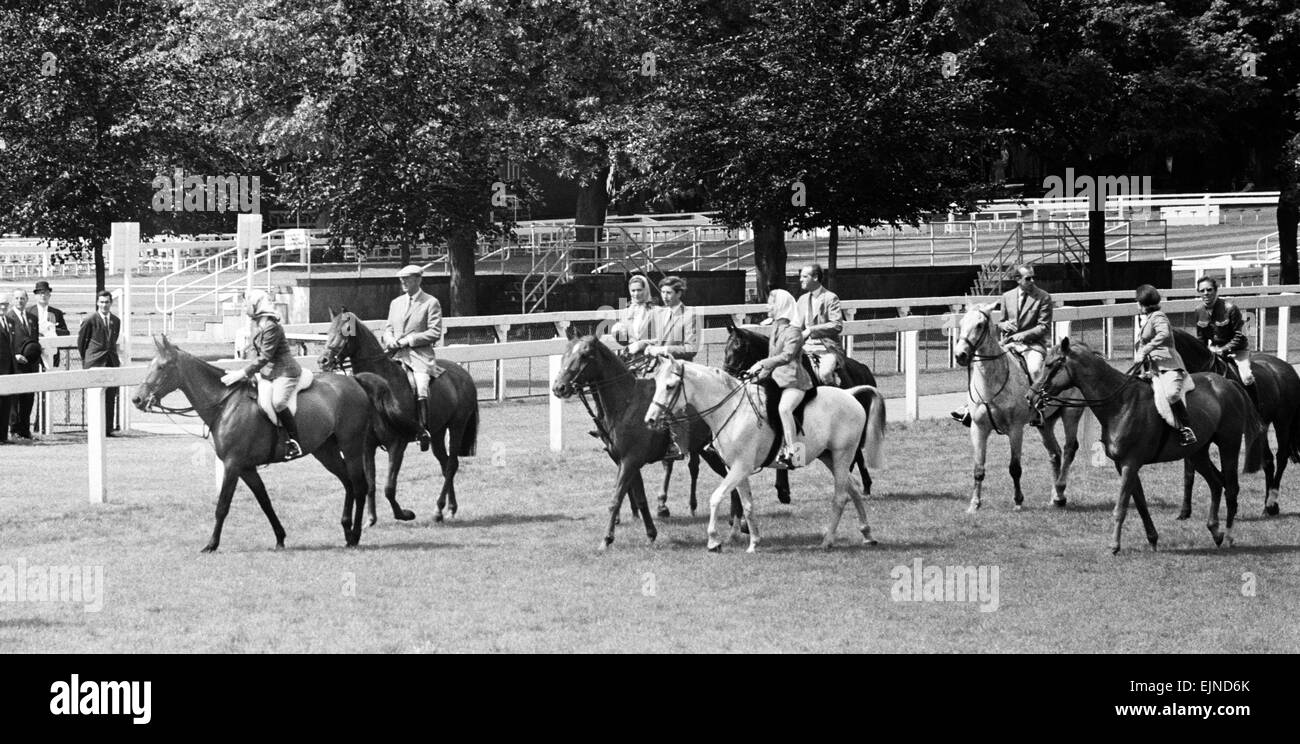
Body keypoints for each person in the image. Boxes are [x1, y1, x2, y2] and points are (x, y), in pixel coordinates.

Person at [952, 264, 1053, 426]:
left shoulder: (1044, 297)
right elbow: (1002, 321)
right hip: (1009, 344)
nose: (1032, 280)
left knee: (1034, 368)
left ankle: (1038, 407)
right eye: (1028, 278)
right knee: (979, 363)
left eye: (1033, 277)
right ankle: (969, 407)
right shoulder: (1007, 296)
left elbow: (1044, 326)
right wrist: (1004, 325)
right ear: (1018, 280)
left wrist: (1023, 334)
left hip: (1033, 345)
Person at [221, 290, 303, 459]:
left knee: (278, 402)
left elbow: (266, 356)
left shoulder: (271, 326)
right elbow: (253, 349)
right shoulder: (257, 324)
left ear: (256, 305)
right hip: (268, 372)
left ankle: (295, 442)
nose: (245, 307)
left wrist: (242, 373)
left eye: (247, 303)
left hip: (285, 372)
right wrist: (246, 373)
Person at [746, 288, 814, 469]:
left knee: (785, 409)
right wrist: (756, 374)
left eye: (772, 303)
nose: (768, 306)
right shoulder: (776, 328)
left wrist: (762, 363)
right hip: (775, 378)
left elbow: (786, 356)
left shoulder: (794, 331)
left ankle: (792, 452)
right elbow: (773, 355)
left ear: (782, 306)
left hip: (794, 381)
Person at [382, 264, 441, 451]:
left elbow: (435, 332)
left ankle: (423, 430)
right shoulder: (395, 303)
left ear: (418, 279)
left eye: (407, 279)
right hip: (395, 356)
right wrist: (389, 338)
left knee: (421, 385)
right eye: (401, 279)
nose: (403, 282)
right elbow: (389, 327)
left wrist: (410, 339)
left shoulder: (430, 302)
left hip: (419, 356)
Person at [640, 275, 699, 460]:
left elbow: (691, 348)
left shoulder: (690, 315)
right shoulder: (659, 313)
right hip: (659, 368)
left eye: (669, 293)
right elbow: (657, 340)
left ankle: (677, 446)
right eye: (663, 292)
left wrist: (663, 349)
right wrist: (644, 344)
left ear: (679, 293)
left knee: (675, 407)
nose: (665, 296)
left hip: (679, 368)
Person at [1135, 284, 1197, 446]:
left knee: (1171, 394)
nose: (1136, 305)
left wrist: (1146, 348)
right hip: (1153, 367)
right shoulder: (1147, 319)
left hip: (1169, 365)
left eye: (1137, 302)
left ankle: (1186, 429)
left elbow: (1164, 334)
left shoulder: (1158, 316)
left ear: (1142, 303)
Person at [1193, 276, 1254, 400]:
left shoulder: (1231, 308)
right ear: (1199, 292)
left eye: (1209, 290)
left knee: (1247, 377)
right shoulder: (1198, 311)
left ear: (1216, 290)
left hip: (1238, 350)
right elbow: (1201, 339)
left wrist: (1223, 349)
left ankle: (1255, 407)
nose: (1206, 293)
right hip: (1214, 350)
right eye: (1202, 290)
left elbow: (1240, 336)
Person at [77, 290, 122, 436]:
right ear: (97, 303)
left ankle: (107, 429)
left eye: (107, 302)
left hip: (111, 362)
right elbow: (81, 342)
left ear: (111, 303)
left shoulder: (116, 321)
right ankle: (96, 429)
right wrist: (88, 359)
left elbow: (113, 341)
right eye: (102, 302)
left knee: (110, 396)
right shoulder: (90, 319)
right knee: (96, 397)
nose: (104, 305)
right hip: (95, 362)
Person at [796, 264, 845, 386]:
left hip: (827, 349)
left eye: (804, 276)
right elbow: (795, 325)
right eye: (800, 276)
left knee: (825, 373)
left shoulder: (831, 298)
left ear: (815, 277)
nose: (800, 279)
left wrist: (810, 330)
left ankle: (835, 398)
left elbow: (836, 325)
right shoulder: (802, 299)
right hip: (805, 348)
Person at [6, 288, 40, 438]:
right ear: (13, 300)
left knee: (28, 398)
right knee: (15, 399)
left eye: (22, 298)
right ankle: (14, 430)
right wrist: (15, 355)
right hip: (15, 364)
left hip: (30, 365)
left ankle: (25, 429)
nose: (20, 301)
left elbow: (35, 341)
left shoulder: (32, 318)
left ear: (27, 300)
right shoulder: (8, 318)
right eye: (17, 298)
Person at [611, 274, 656, 354]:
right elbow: (625, 342)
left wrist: (642, 344)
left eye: (639, 290)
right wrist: (618, 335)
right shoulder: (626, 312)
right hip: (632, 357)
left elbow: (662, 339)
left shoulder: (655, 311)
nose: (636, 294)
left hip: (651, 356)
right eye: (633, 291)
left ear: (645, 290)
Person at [31, 280, 70, 370]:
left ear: (49, 295)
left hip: (52, 351)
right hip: (34, 352)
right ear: (35, 296)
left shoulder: (57, 313)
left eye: (45, 293)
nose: (43, 295)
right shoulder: (29, 312)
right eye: (40, 293)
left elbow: (66, 332)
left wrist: (51, 330)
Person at [0, 295, 15, 444]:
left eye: (5, 304)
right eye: (0, 304)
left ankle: (3, 436)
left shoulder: (10, 322)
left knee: (6, 404)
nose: (3, 307)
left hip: (9, 368)